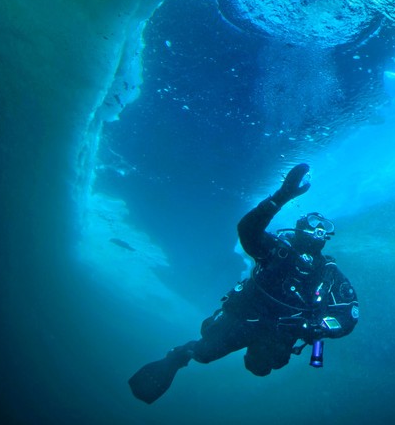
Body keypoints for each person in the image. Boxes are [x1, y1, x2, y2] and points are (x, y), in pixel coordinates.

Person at [129, 163, 359, 404]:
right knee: (205, 352)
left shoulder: (328, 273)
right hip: (246, 315)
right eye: (314, 223)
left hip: (284, 329)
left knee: (260, 367)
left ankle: (250, 353)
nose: (320, 230)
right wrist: (282, 196)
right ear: (301, 227)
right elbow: (247, 230)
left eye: (326, 227)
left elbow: (350, 312)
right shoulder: (275, 250)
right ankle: (179, 356)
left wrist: (321, 328)